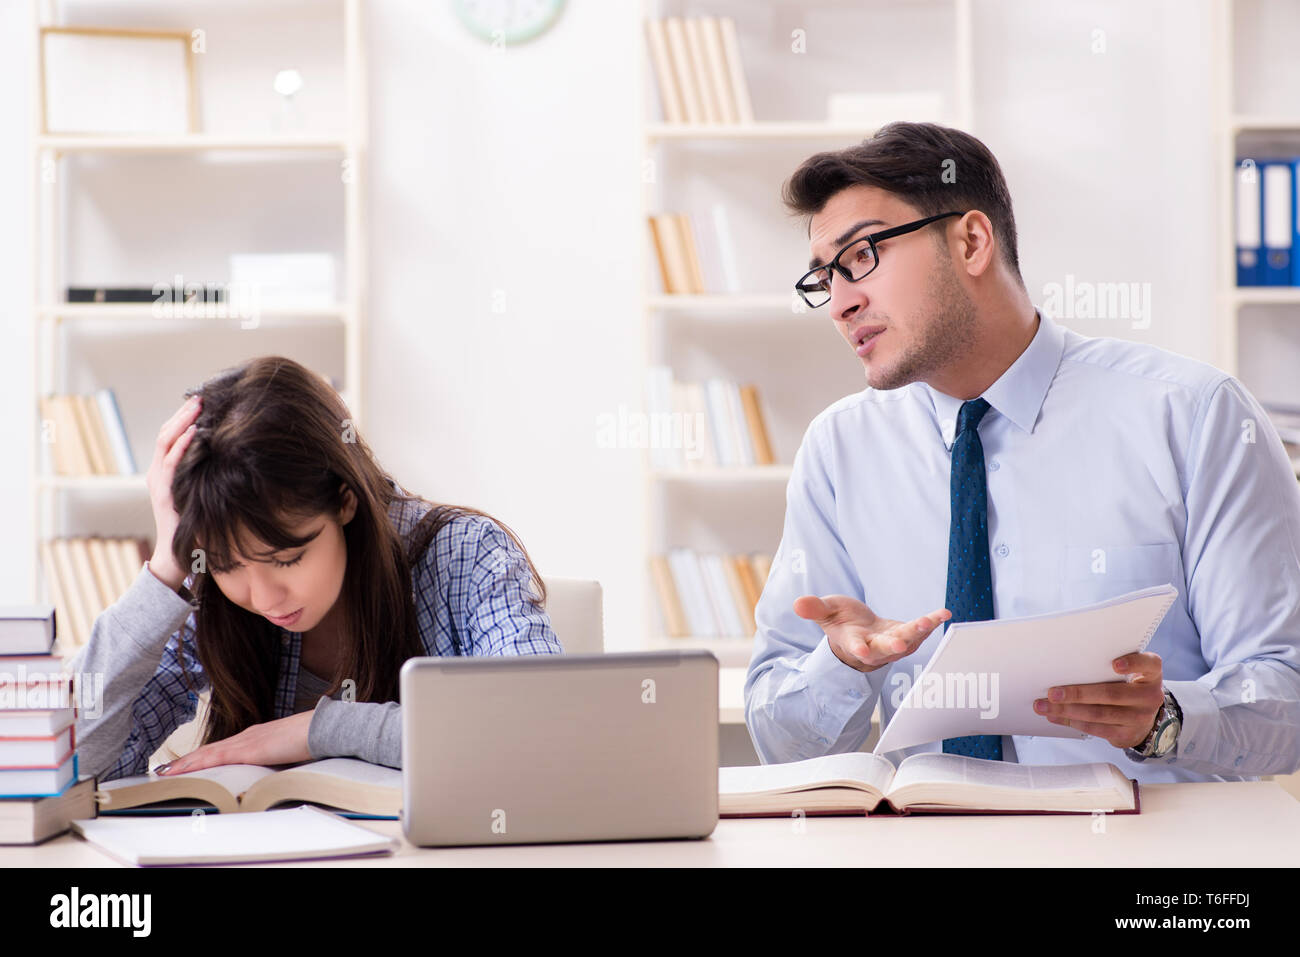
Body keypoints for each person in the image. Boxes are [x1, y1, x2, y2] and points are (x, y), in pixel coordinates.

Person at [745, 121, 1300, 782]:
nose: (840, 302)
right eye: (823, 278)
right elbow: (780, 748)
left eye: (861, 256)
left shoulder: (1192, 415)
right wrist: (840, 662)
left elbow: (1285, 694)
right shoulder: (840, 451)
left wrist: (1165, 719)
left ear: (972, 241)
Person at [71, 356, 561, 782]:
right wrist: (166, 563)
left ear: (345, 501)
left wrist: (320, 730)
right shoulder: (207, 587)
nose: (263, 599)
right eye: (226, 565)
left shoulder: (465, 554)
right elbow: (75, 757)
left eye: (287, 559)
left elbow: (539, 732)